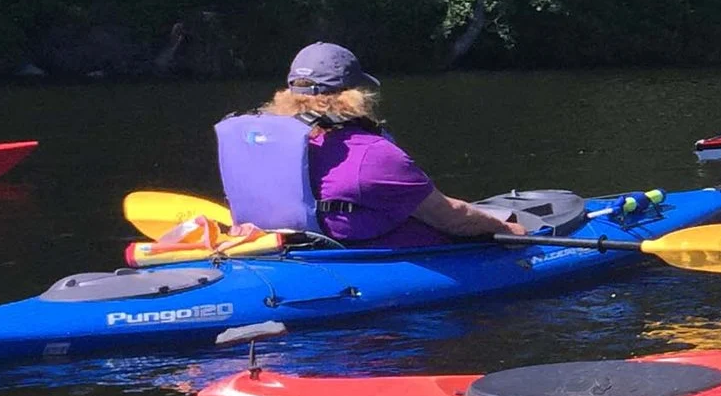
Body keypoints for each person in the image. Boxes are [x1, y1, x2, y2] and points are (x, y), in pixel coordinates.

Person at [215, 42, 529, 248]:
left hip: (292, 246)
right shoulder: (371, 154)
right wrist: (509, 231)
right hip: (360, 255)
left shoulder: (265, 144)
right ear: (353, 94)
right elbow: (450, 218)